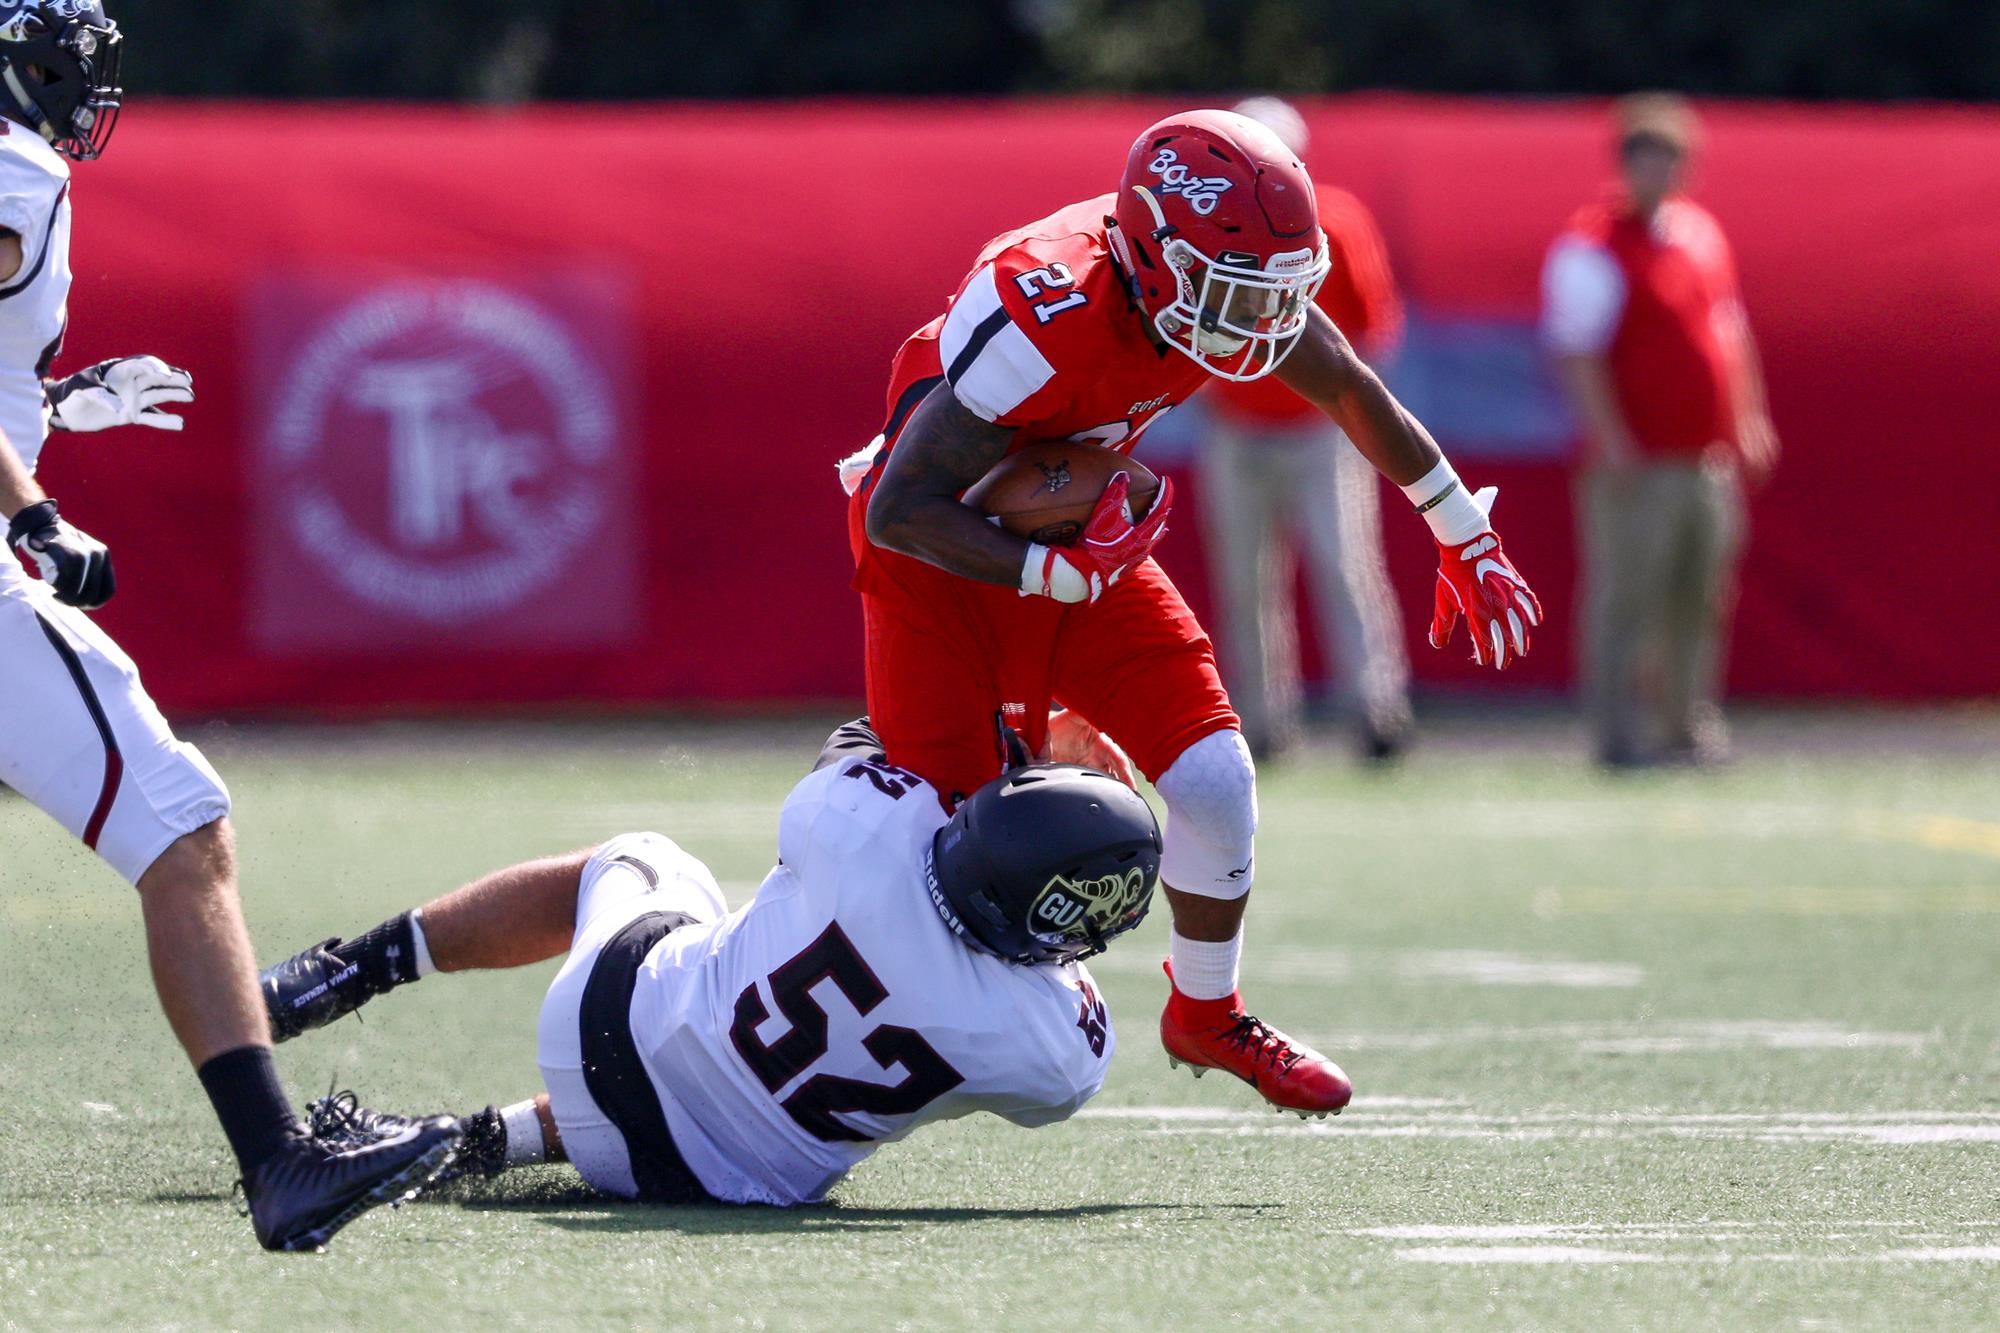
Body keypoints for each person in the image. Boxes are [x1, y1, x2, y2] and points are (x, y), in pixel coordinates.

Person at [838, 108, 1542, 1116]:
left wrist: (1457, 526)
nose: (1261, 321)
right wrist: (1049, 578)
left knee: (1214, 777)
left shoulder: (1221, 280)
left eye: (1276, 292)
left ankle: (1206, 1010)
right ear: (1154, 258)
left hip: (1073, 539)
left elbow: (1348, 386)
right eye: (1237, 291)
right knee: (942, 854)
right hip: (938, 560)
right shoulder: (1044, 310)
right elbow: (901, 507)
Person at [0, 1, 460, 1249]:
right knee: (181, 823)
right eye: (69, 70)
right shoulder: (16, 171)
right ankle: (279, 1163)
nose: (88, 95)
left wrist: (62, 404)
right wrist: (36, 513)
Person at [255, 727, 1200, 1208]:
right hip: (707, 1180)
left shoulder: (868, 832)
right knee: (731, 1076)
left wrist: (1012, 745)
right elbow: (1054, 969)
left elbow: (861, 739)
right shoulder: (1051, 1049)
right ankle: (477, 1141)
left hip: (599, 1029)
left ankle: (346, 971)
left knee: (638, 861)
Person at [1542, 93, 1778, 767]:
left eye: (1672, 159)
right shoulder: (1592, 246)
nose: (1661, 172)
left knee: (1699, 596)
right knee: (1627, 596)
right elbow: (1577, 352)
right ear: (1625, 165)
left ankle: (1686, 725)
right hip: (1638, 460)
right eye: (1648, 159)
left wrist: (1749, 419)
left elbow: (1729, 332)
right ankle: (1617, 733)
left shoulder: (1700, 235)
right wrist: (1611, 438)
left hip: (1705, 454)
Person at [1196, 97, 1413, 762]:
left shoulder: (1335, 220)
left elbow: (1373, 329)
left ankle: (1375, 711)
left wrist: (1354, 413)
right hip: (1238, 428)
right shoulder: (1206, 226)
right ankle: (1260, 721)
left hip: (1317, 430)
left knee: (1345, 567)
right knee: (1244, 581)